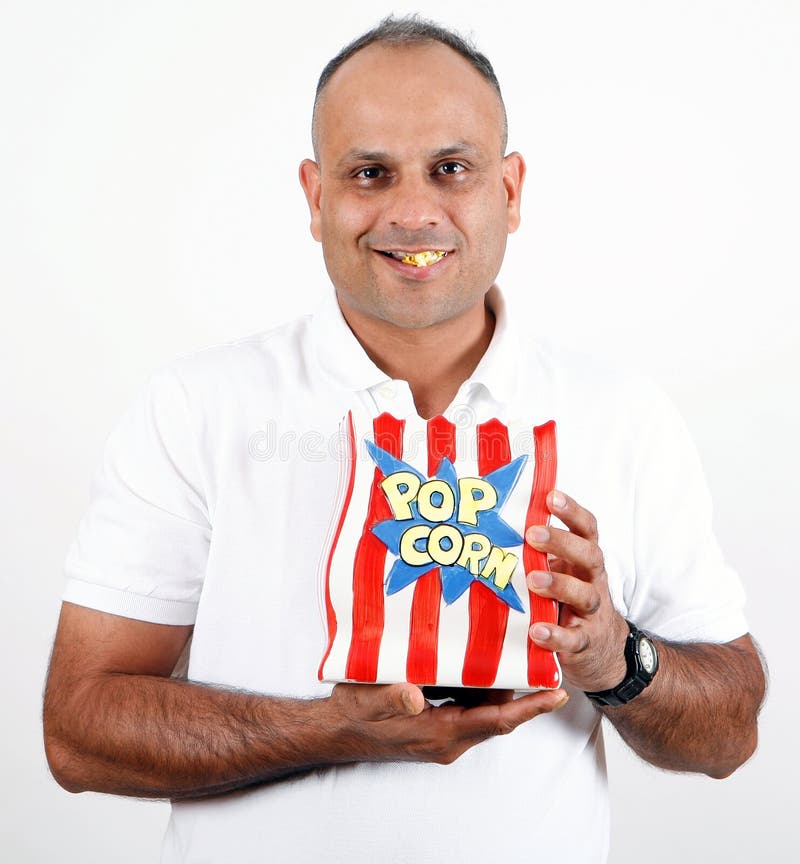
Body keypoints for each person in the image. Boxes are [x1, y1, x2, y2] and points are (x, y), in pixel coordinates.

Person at [43, 15, 766, 863]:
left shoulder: (623, 415)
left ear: (510, 190)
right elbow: (79, 734)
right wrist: (333, 731)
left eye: (451, 169)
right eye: (371, 173)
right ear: (318, 199)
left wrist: (615, 656)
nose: (414, 211)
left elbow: (730, 736)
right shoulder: (197, 408)